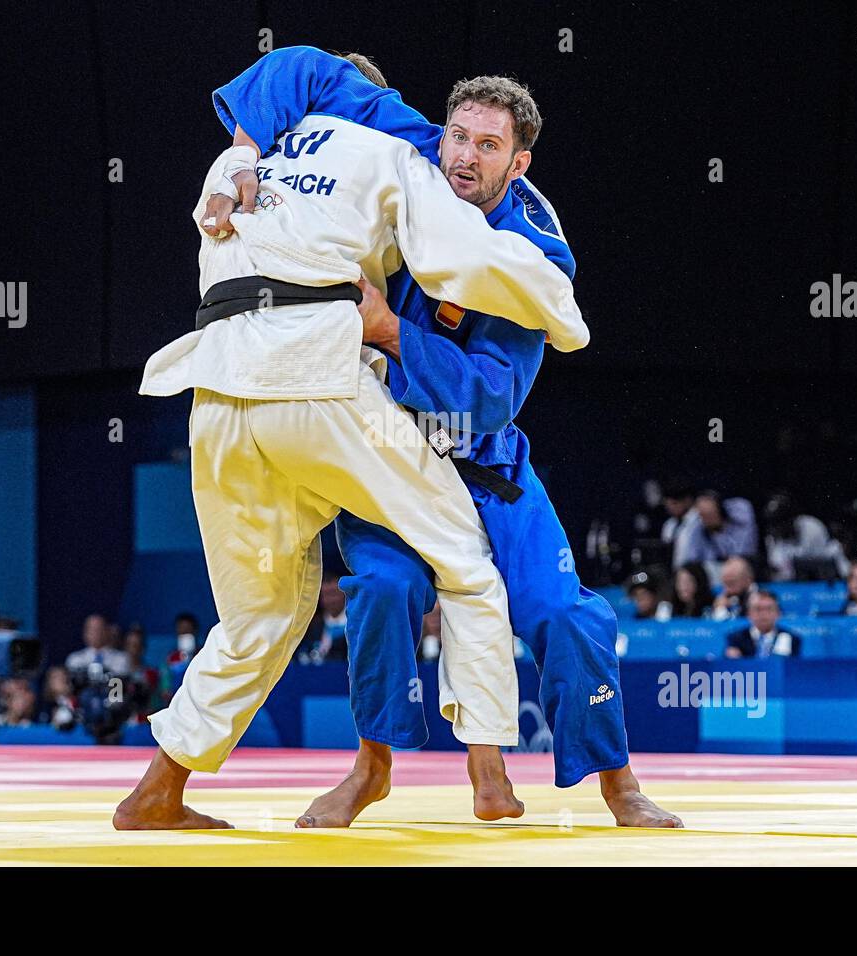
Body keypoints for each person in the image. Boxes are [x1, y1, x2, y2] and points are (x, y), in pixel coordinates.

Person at [199, 46, 680, 829]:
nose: (464, 157)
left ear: (519, 161)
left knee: (564, 613)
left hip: (485, 460)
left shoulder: (531, 249)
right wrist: (243, 152)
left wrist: (391, 332)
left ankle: (618, 782)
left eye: (488, 146)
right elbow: (315, 76)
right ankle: (372, 768)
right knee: (383, 591)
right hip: (384, 449)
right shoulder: (414, 147)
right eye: (459, 136)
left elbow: (492, 396)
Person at [114, 49, 591, 831]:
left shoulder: (252, 151)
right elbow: (459, 258)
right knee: (465, 560)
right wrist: (563, 315)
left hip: (216, 388)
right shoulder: (393, 150)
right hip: (317, 378)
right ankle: (489, 769)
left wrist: (238, 151)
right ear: (375, 100)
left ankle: (157, 792)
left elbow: (286, 67)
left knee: (256, 618)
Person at [679, 491, 759, 572]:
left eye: (710, 514)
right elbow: (690, 561)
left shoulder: (740, 520)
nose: (707, 520)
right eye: (703, 515)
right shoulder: (697, 529)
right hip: (714, 574)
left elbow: (744, 553)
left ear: (720, 510)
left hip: (744, 566)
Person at [724, 590, 802, 658]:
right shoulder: (735, 639)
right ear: (748, 613)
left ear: (778, 613)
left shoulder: (793, 638)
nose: (763, 614)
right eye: (758, 609)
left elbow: (794, 669)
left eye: (769, 609)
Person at [709, 556, 757, 621]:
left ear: (747, 579)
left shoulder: (759, 599)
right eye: (725, 583)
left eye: (731, 583)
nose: (727, 589)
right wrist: (720, 609)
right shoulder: (721, 597)